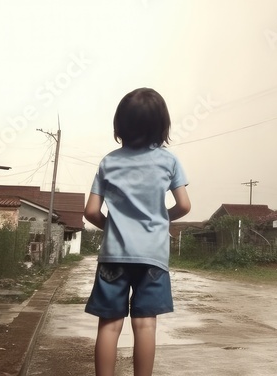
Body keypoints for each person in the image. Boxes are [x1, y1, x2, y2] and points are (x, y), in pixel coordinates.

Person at [84, 87, 191, 376]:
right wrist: (160, 219)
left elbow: (91, 212)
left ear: (120, 124)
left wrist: (114, 227)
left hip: (114, 257)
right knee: (145, 324)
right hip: (152, 257)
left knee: (109, 324)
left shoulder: (109, 162)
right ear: (161, 125)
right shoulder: (168, 161)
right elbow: (184, 206)